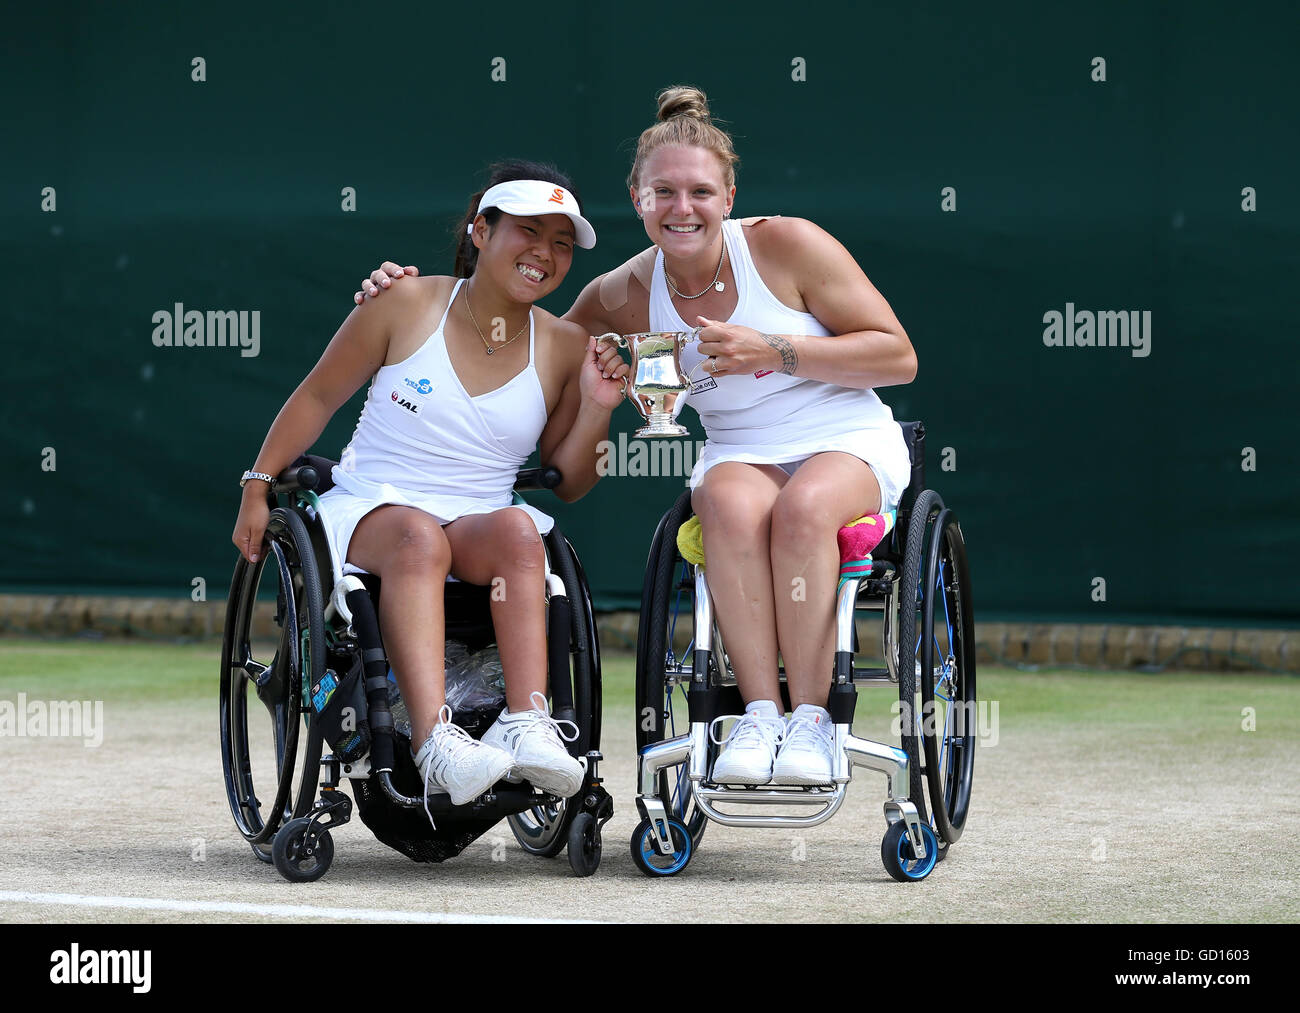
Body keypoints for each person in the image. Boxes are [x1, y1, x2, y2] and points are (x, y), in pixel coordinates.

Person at [355, 87, 917, 788]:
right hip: (740, 453)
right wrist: (403, 292)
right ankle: (761, 715)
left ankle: (812, 720)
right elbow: (517, 328)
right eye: (665, 192)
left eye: (702, 192)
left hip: (845, 440)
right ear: (638, 197)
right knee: (722, 498)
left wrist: (774, 350)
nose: (684, 207)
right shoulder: (620, 295)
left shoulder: (787, 245)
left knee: (803, 509)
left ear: (730, 194)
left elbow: (899, 356)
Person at [233, 160, 625, 814]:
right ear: (480, 230)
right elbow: (318, 396)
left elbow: (572, 481)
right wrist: (257, 483)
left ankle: (527, 724)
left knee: (521, 530)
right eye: (528, 230)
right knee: (417, 537)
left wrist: (599, 404)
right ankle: (435, 741)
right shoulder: (404, 301)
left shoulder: (565, 344)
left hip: (480, 516)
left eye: (562, 242)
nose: (546, 253)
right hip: (372, 507)